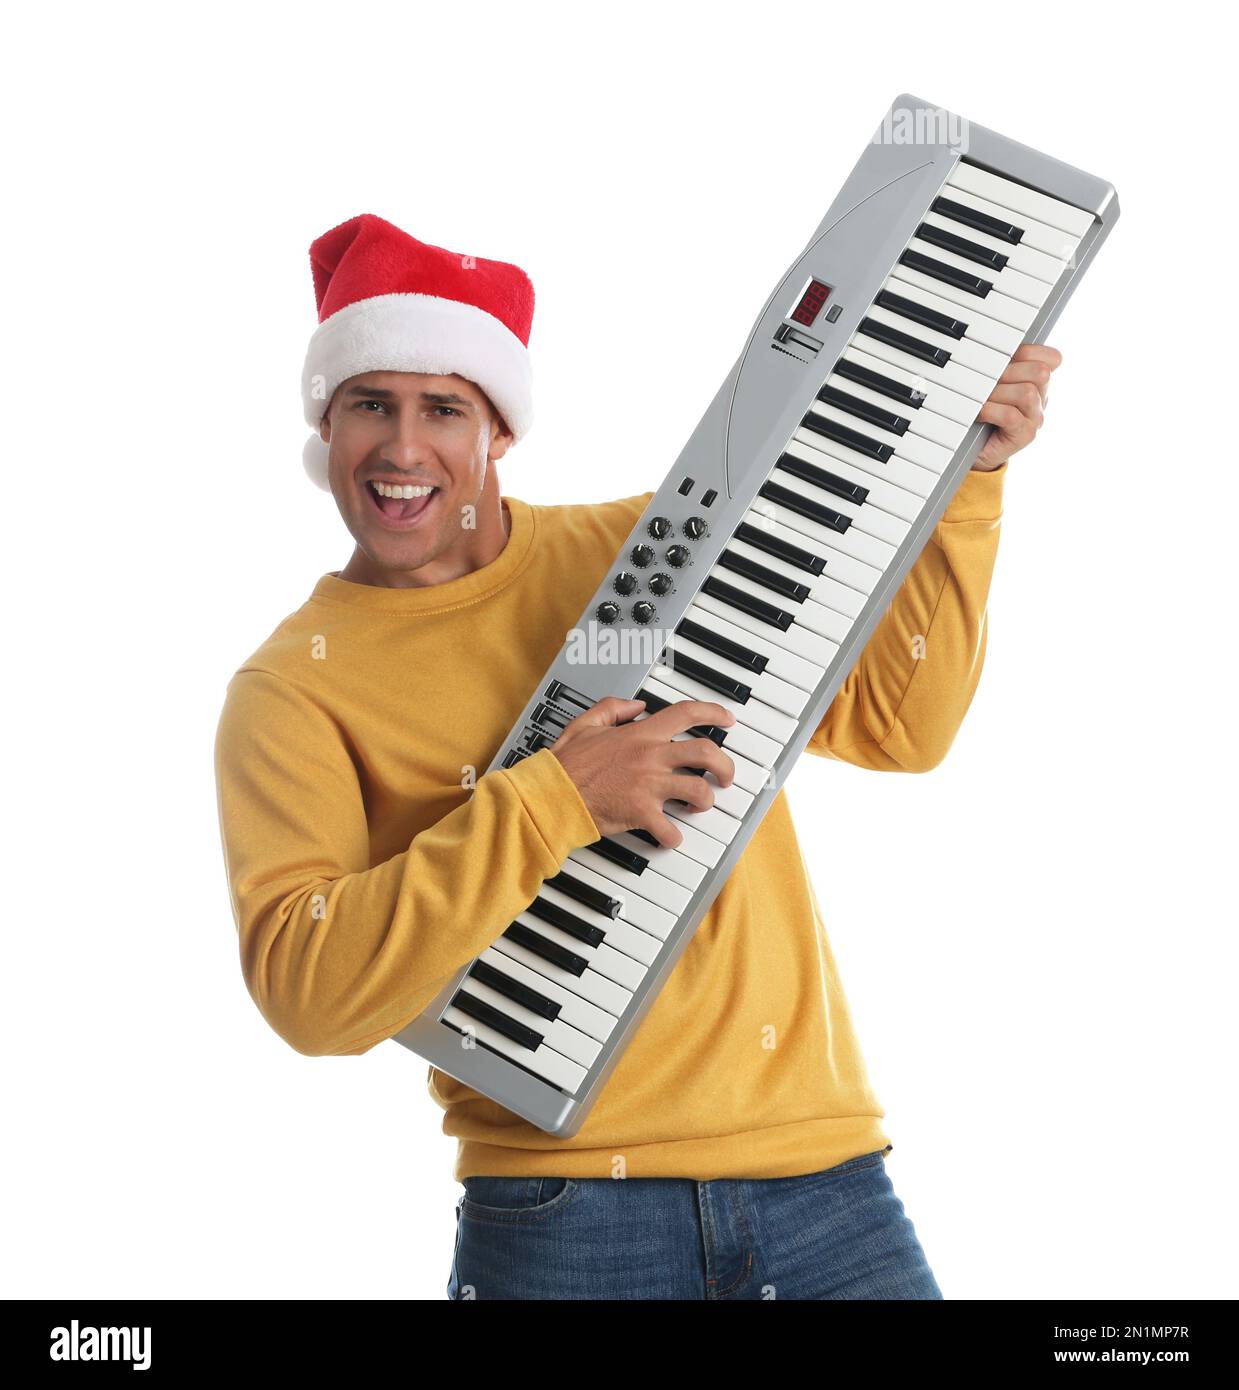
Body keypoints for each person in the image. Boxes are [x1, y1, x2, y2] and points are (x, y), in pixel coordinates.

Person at [213, 212, 1060, 1300]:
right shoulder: (294, 688)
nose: (403, 448)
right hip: (563, 1212)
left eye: (444, 409)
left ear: (499, 432)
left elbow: (904, 723)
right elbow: (308, 992)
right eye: (369, 404)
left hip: (825, 1179)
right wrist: (553, 799)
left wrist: (967, 485)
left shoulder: (649, 545)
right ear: (326, 426)